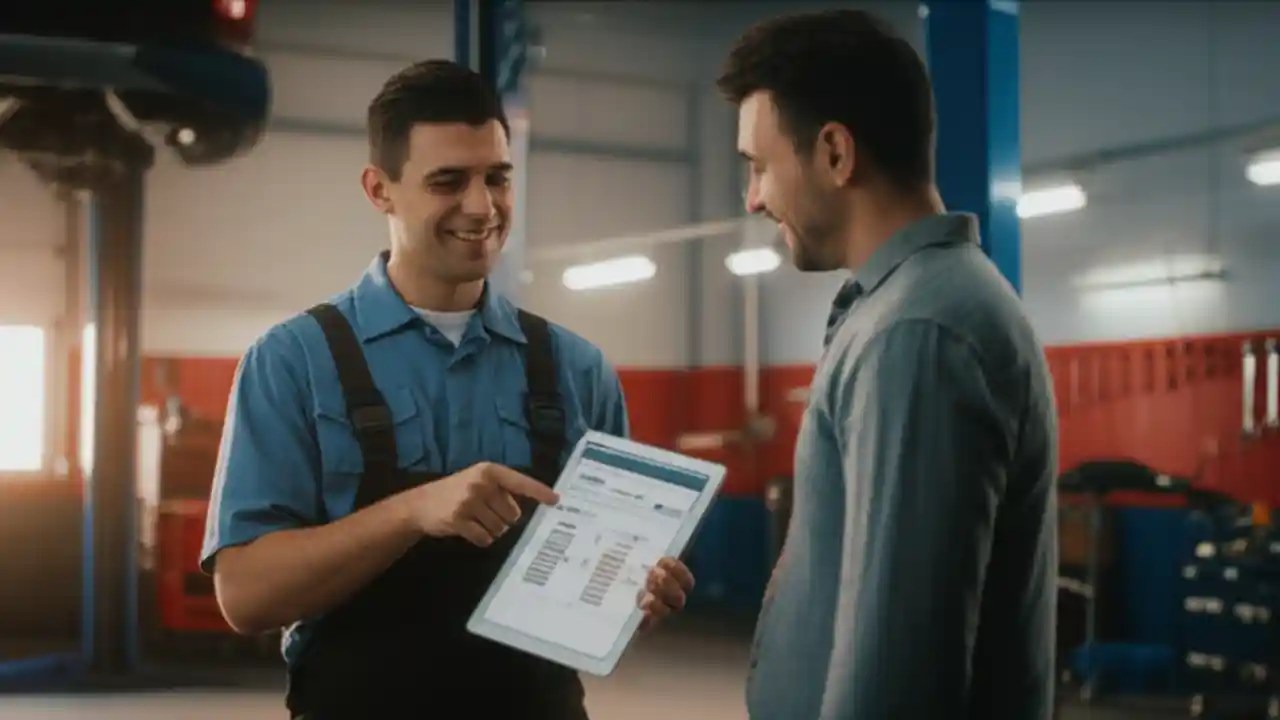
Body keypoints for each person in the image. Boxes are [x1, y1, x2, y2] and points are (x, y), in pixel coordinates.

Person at [199, 59, 695, 719]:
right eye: (448, 181)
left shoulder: (578, 370)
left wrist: (637, 591)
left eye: (496, 177)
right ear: (380, 190)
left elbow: (600, 591)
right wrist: (411, 512)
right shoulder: (293, 362)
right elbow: (246, 596)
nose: (481, 206)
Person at [717, 9, 1058, 720]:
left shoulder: (919, 333)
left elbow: (897, 670)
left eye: (758, 165)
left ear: (836, 153)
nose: (753, 197)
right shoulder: (908, 307)